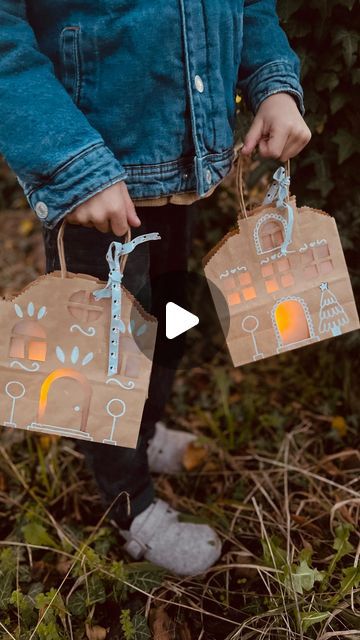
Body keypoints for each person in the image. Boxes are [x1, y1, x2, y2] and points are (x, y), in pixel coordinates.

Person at [0, 1, 311, 576]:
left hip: (180, 173)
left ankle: (141, 433)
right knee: (103, 360)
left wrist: (272, 83)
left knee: (171, 318)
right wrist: (75, 168)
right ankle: (128, 504)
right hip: (98, 188)